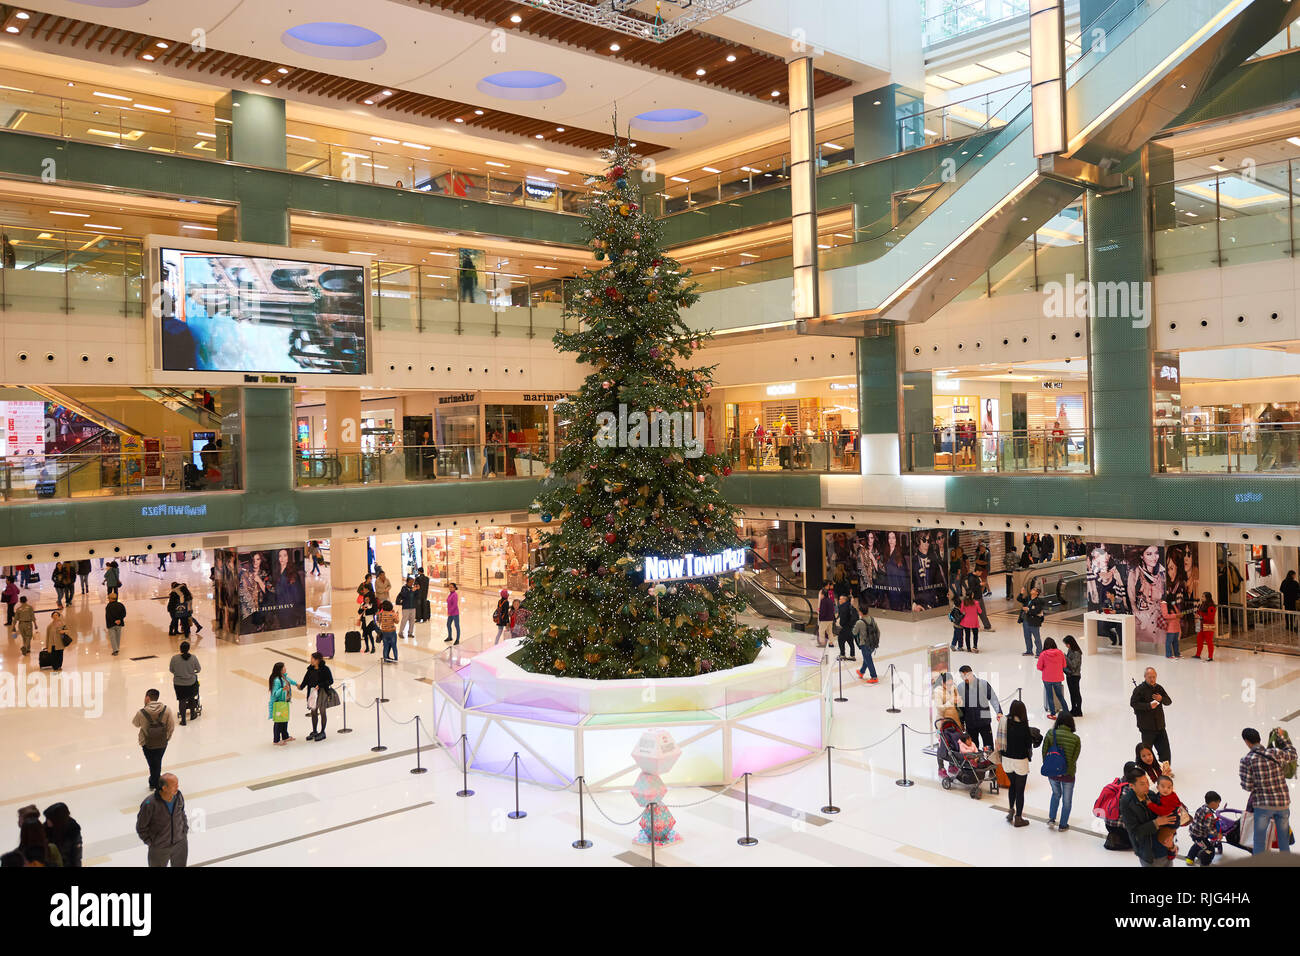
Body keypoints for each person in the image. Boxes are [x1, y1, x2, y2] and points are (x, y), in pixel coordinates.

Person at [1239, 726, 1297, 855]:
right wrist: (1283, 737)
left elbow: (1247, 786)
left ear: (1246, 742)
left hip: (1263, 806)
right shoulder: (1275, 753)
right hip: (1282, 803)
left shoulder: (1246, 760)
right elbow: (1293, 754)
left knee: (1259, 841)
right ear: (1259, 739)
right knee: (1283, 839)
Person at [996, 699, 1040, 828]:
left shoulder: (1004, 721)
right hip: (1020, 762)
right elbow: (1028, 744)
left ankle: (1011, 811)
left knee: (1012, 787)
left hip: (1006, 761)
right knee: (1019, 791)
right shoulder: (1023, 725)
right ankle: (1019, 818)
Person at [1119, 768, 1176, 867]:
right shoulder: (1127, 803)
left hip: (1164, 847)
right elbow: (1134, 832)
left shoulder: (1150, 794)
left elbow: (1164, 812)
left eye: (1147, 782)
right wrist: (1156, 823)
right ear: (1132, 786)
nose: (1147, 786)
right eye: (1142, 784)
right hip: (1149, 853)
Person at [135, 773, 188, 868]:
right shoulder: (149, 804)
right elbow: (141, 827)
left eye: (177, 784)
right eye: (174, 785)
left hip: (180, 843)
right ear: (164, 788)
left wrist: (184, 831)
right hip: (159, 847)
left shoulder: (178, 796)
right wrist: (152, 843)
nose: (177, 787)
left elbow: (182, 813)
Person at [1042, 712, 1081, 831]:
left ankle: (1051, 819)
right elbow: (1074, 758)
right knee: (1067, 800)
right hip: (1068, 775)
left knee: (1055, 794)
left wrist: (1051, 766)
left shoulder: (1050, 734)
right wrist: (1067, 771)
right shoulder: (1075, 739)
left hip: (1053, 773)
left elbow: (1044, 752)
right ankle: (1063, 825)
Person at [132, 689, 175, 791]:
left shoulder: (141, 712)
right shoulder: (167, 710)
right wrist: (167, 738)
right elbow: (171, 727)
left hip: (147, 743)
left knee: (152, 763)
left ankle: (155, 783)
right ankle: (155, 781)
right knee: (157, 761)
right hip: (162, 742)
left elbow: (136, 724)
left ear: (147, 698)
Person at [1130, 667, 1173, 768]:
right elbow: (1133, 703)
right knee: (1146, 752)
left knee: (1165, 751)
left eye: (1154, 677)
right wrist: (1148, 706)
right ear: (1145, 677)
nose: (1152, 679)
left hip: (1160, 726)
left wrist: (1161, 698)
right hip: (1147, 728)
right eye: (1149, 677)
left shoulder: (1159, 688)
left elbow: (1168, 701)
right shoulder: (1139, 690)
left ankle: (1165, 770)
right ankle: (1144, 771)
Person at [957, 665, 1002, 750]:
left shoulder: (983, 684)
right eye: (962, 676)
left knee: (989, 746)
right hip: (970, 723)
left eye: (966, 675)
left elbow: (993, 698)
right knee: (973, 748)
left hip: (984, 721)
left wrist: (998, 712)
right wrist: (961, 722)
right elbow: (960, 707)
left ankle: (990, 762)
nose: (964, 678)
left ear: (971, 673)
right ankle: (976, 762)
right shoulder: (960, 687)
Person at [300, 651, 334, 741]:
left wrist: (321, 685)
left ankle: (323, 731)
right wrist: (300, 687)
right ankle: (314, 731)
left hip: (322, 692)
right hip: (312, 693)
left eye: (312, 659)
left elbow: (331, 681)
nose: (311, 660)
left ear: (317, 660)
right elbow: (305, 680)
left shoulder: (325, 669)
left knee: (322, 711)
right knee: (313, 712)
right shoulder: (310, 669)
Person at [1186, 791, 1223, 866]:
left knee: (1198, 844)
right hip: (1199, 836)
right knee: (1210, 849)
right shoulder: (1209, 815)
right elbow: (1208, 829)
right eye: (1218, 803)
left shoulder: (1202, 808)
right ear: (1212, 803)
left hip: (1193, 832)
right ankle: (1205, 863)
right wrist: (1217, 834)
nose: (1218, 805)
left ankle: (1190, 858)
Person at [168, 641, 201, 725]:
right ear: (189, 649)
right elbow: (199, 669)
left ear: (180, 649)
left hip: (179, 684)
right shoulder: (193, 658)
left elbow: (171, 670)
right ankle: (193, 714)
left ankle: (183, 720)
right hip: (191, 682)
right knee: (191, 698)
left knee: (181, 700)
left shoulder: (174, 658)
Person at [1036, 637, 1069, 719]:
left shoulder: (1043, 654)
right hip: (1058, 678)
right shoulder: (1060, 653)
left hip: (1047, 678)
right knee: (1060, 696)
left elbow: (1039, 667)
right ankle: (1067, 713)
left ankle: (1053, 714)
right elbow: (1064, 665)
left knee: (1050, 696)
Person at [43, 804, 82, 869]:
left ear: (57, 820)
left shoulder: (73, 832)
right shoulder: (45, 829)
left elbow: (76, 856)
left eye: (49, 819)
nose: (47, 821)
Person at [268, 662, 297, 745]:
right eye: (284, 667)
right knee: (278, 722)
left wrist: (296, 684)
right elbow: (274, 693)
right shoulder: (277, 680)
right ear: (280, 670)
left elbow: (290, 681)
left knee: (284, 720)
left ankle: (285, 736)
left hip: (284, 702)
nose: (285, 668)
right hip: (278, 704)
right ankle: (276, 740)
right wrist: (283, 689)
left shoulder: (284, 677)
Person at [853, 605, 879, 682]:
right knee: (867, 658)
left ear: (860, 612)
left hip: (864, 644)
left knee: (868, 659)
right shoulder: (872, 619)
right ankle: (861, 672)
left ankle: (874, 677)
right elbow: (878, 631)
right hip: (873, 643)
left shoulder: (859, 622)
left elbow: (854, 632)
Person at [1060, 634, 1083, 717]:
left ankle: (1079, 710)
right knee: (1072, 693)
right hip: (1069, 675)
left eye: (1066, 644)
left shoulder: (1077, 653)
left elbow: (1073, 665)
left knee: (1076, 693)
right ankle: (1073, 709)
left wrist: (1065, 657)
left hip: (1075, 676)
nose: (1066, 646)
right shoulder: (1070, 650)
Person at [1018, 585, 1045, 656]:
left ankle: (1039, 652)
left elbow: (1037, 611)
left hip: (1034, 621)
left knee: (1036, 637)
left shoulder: (1038, 601)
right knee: (1027, 636)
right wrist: (1021, 593)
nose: (1032, 590)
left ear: (1037, 593)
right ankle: (1029, 651)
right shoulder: (1028, 598)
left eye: (1034, 589)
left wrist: (1028, 609)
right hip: (1025, 621)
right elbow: (1019, 599)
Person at [834, 593, 858, 662]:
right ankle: (852, 655)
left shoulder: (842, 607)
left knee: (840, 640)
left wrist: (841, 624)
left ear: (844, 600)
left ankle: (842, 655)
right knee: (850, 641)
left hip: (845, 627)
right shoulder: (851, 606)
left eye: (840, 599)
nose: (839, 600)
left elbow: (843, 618)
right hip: (851, 627)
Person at [1194, 592, 1216, 661]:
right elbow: (1198, 612)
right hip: (1201, 625)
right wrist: (1197, 615)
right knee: (1199, 640)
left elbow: (1210, 617)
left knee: (1209, 641)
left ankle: (1210, 656)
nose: (1202, 598)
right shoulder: (1201, 605)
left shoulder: (1211, 606)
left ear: (1207, 598)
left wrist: (1201, 617)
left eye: (1203, 597)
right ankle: (1198, 655)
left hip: (1209, 625)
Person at [816, 583, 835, 648]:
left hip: (825, 619)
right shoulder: (830, 600)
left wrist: (820, 618)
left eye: (821, 594)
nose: (820, 595)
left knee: (821, 631)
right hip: (830, 619)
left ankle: (822, 643)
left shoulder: (823, 601)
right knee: (830, 631)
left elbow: (823, 611)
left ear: (823, 594)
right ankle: (831, 643)